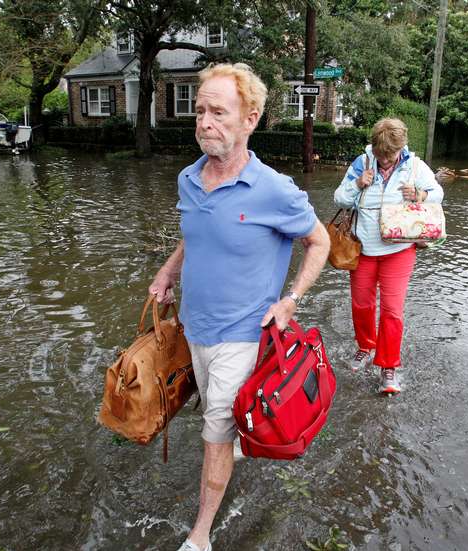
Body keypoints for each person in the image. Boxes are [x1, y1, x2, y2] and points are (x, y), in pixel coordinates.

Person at [148, 63, 330, 551]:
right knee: (215, 416)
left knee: (214, 433)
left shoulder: (275, 190)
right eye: (200, 110)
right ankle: (232, 440)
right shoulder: (189, 179)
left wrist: (290, 300)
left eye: (218, 112)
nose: (204, 121)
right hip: (193, 327)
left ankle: (200, 535)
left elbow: (320, 241)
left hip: (244, 335)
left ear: (250, 119)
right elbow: (194, 235)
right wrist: (169, 271)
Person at [333, 118, 443, 394]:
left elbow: (437, 194)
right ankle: (365, 347)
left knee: (392, 311)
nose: (385, 160)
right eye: (381, 154)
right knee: (361, 304)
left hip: (398, 250)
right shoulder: (362, 162)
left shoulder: (415, 166)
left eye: (391, 155)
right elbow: (339, 199)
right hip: (364, 249)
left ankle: (388, 366)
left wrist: (419, 194)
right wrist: (358, 183)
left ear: (401, 147)